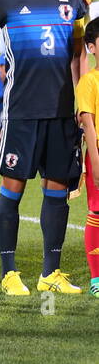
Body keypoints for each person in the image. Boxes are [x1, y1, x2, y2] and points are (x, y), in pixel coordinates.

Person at [0, 0, 85, 295]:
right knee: (13, 189)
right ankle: (9, 273)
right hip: (21, 113)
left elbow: (79, 53)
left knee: (57, 191)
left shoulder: (71, 0)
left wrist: (82, 102)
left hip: (61, 113)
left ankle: (49, 274)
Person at [74, 17, 99, 297]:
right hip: (98, 150)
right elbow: (88, 123)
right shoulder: (89, 81)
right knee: (97, 212)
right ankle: (96, 278)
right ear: (91, 48)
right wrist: (94, 160)